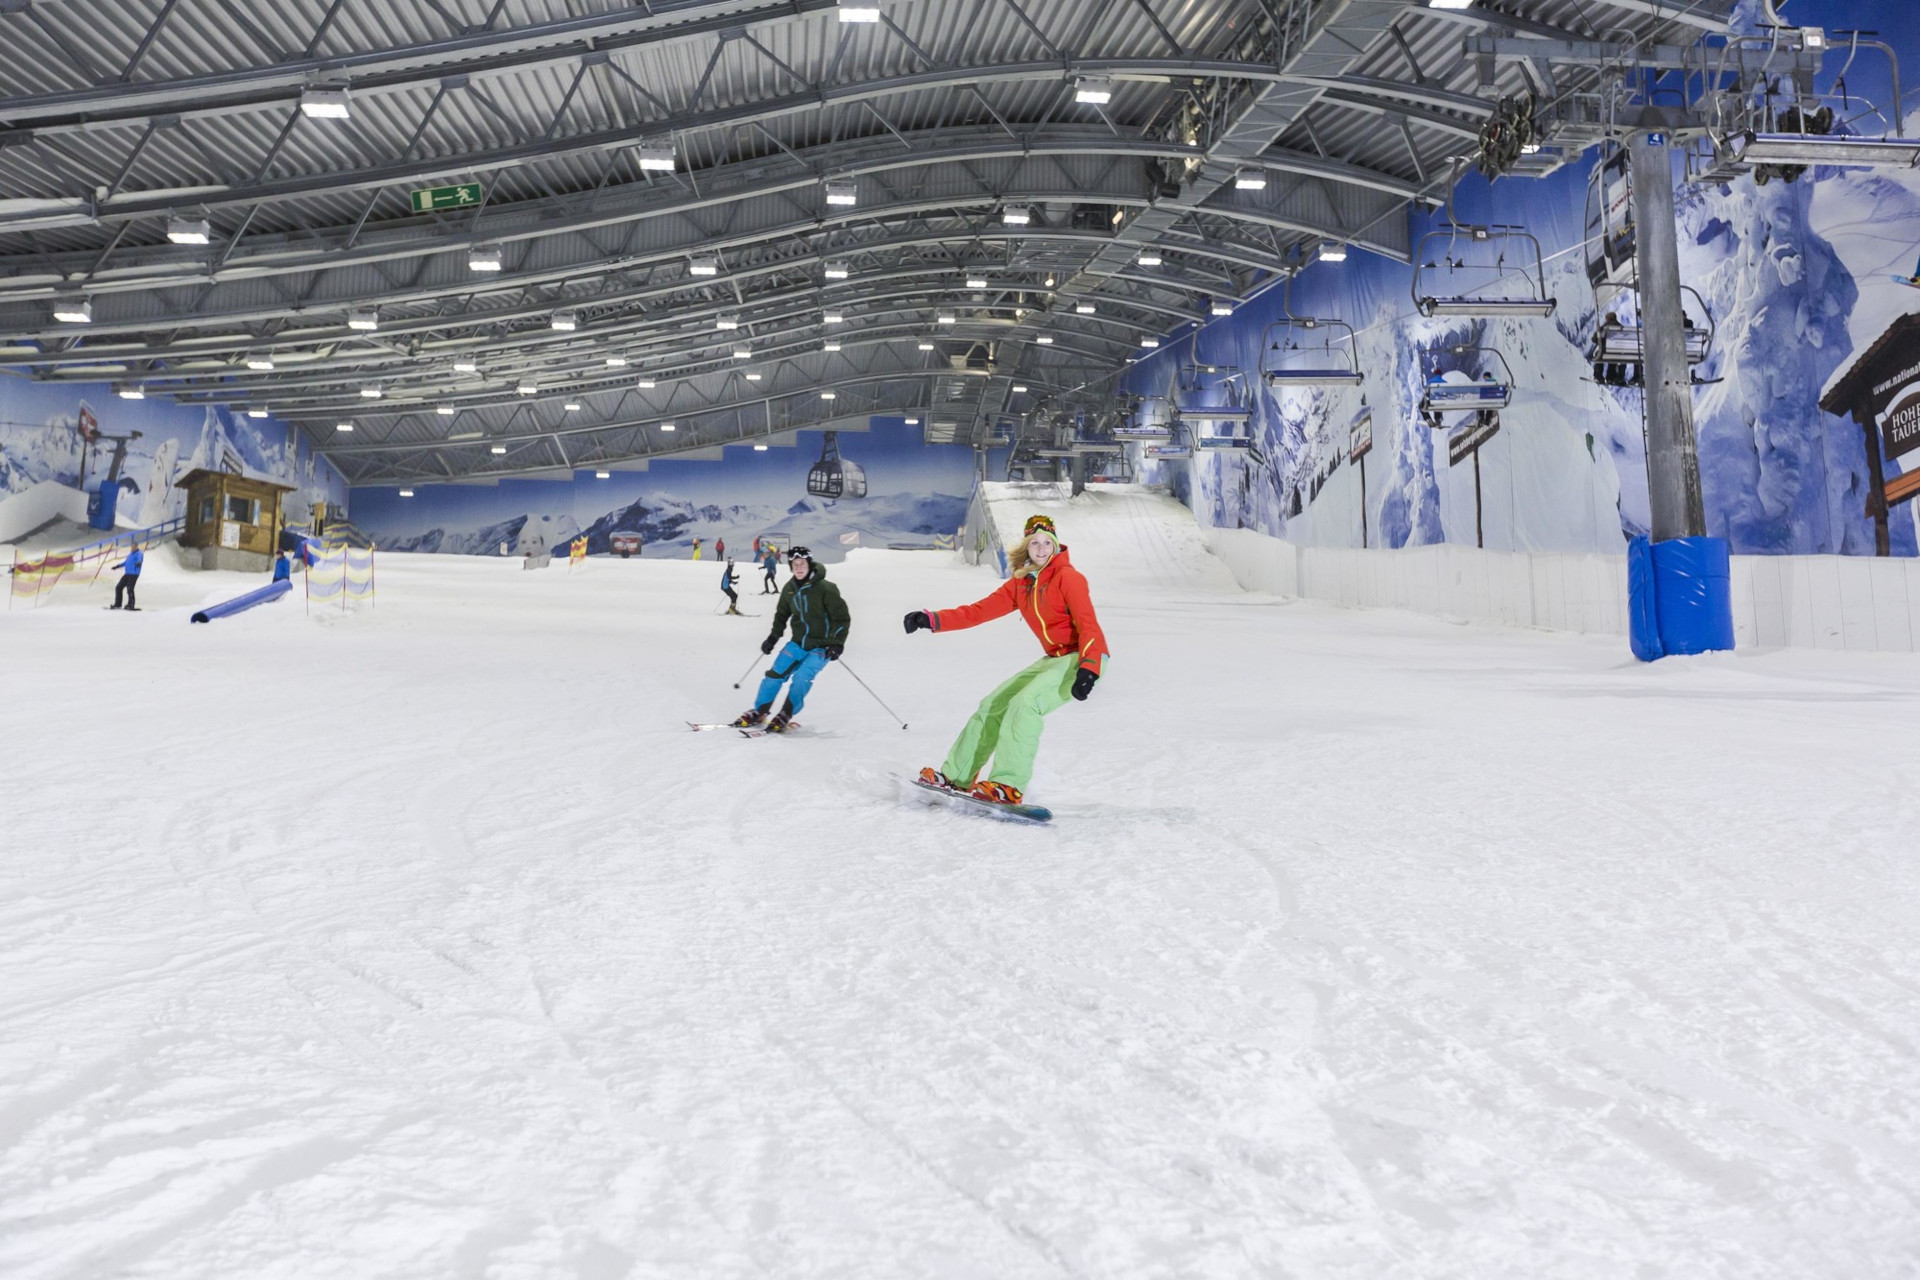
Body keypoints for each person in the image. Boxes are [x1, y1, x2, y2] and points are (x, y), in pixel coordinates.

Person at [905, 514, 1108, 806]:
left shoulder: (1069, 578)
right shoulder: (1021, 584)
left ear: (1054, 545)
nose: (1040, 548)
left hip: (1083, 656)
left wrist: (1089, 668)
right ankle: (956, 775)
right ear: (1026, 547)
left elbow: (1090, 625)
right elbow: (978, 611)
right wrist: (932, 619)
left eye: (1046, 542)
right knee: (993, 705)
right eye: (1034, 543)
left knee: (1025, 705)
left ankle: (1008, 785)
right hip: (1054, 658)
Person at [730, 546, 849, 733]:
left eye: (802, 563)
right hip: (797, 643)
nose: (799, 568)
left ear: (809, 564)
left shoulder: (826, 589)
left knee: (802, 677)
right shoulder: (789, 589)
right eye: (795, 564)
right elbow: (781, 614)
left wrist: (837, 643)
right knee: (774, 675)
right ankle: (760, 711)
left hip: (822, 647)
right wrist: (773, 637)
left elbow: (841, 618)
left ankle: (786, 713)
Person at [109, 541, 145, 611]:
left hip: (134, 574)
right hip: (127, 574)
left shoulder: (139, 553)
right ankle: (118, 604)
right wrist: (117, 566)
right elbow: (126, 563)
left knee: (130, 589)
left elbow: (139, 559)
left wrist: (138, 563)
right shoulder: (130, 554)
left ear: (137, 546)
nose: (132, 548)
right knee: (118, 587)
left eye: (134, 546)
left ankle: (131, 604)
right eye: (132, 547)